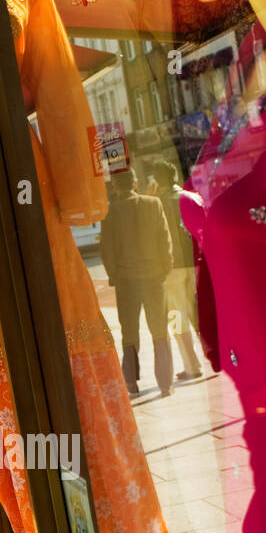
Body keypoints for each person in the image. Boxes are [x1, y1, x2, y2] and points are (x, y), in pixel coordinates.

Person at [98, 167, 174, 396]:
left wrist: (115, 275)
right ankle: (165, 383)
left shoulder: (110, 213)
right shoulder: (153, 204)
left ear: (115, 187)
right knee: (160, 330)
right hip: (153, 278)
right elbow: (164, 239)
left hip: (126, 282)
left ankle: (131, 381)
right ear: (134, 183)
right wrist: (164, 270)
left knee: (129, 332)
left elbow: (107, 250)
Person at [147, 159, 203, 381]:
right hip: (196, 264)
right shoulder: (191, 199)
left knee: (178, 319)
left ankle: (192, 366)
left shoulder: (155, 205)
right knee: (200, 314)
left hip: (170, 271)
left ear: (158, 181)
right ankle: (214, 356)